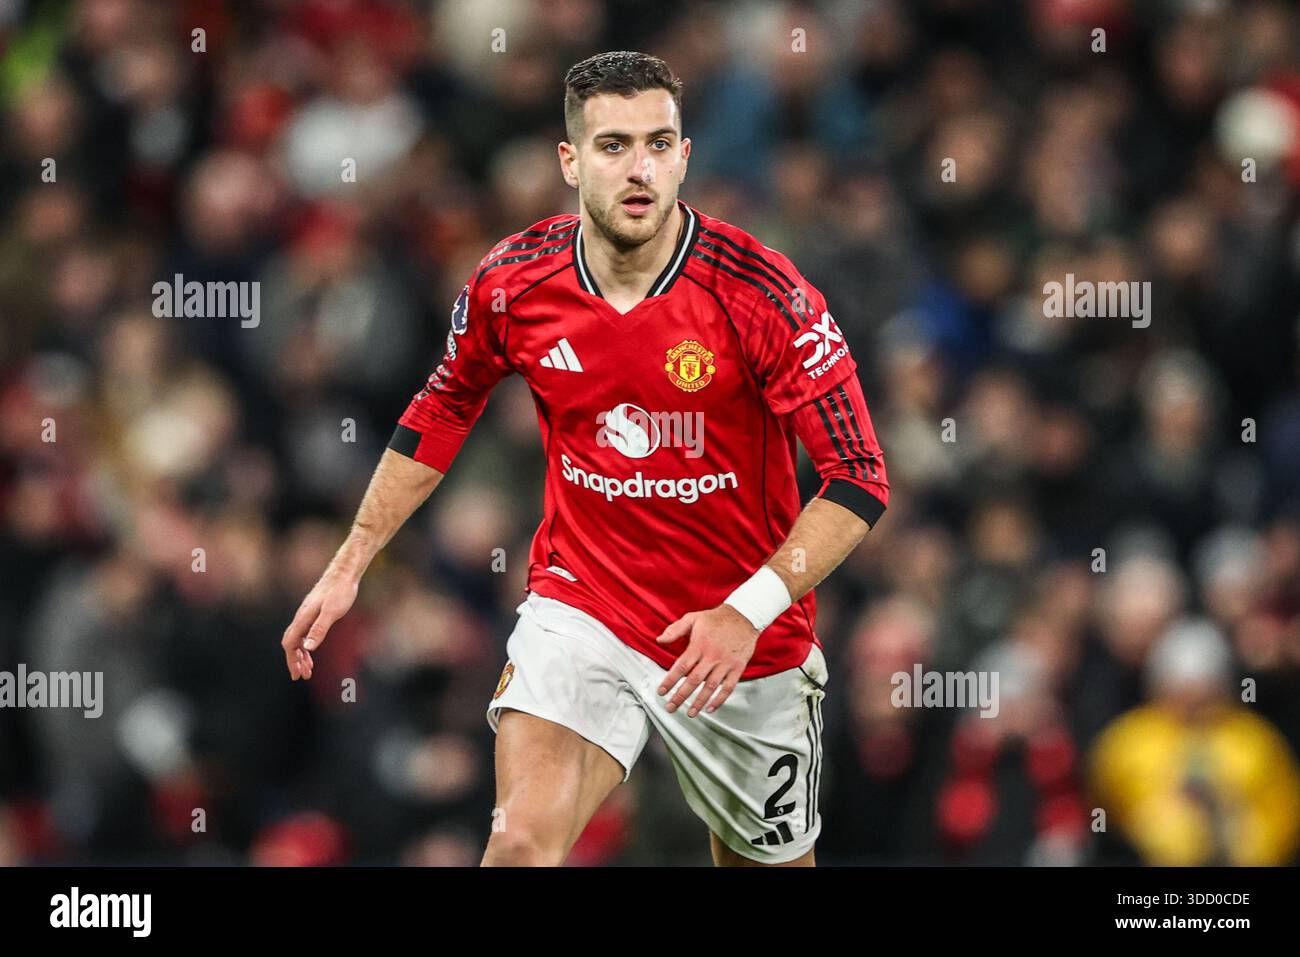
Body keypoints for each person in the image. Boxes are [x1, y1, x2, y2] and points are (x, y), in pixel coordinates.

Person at [281, 51, 890, 867]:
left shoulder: (763, 294)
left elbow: (858, 474)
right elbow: (444, 405)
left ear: (684, 155)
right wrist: (354, 554)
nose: (638, 168)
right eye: (612, 146)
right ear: (570, 161)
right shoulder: (514, 282)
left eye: (657, 142)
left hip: (744, 637)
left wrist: (747, 610)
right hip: (586, 606)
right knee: (519, 847)